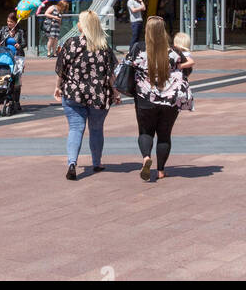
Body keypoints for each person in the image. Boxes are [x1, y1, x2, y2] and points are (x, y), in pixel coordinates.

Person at [53, 10, 117, 179]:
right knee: (96, 129)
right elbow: (111, 75)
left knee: (75, 128)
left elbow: (61, 69)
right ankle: (97, 162)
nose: (77, 25)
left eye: (79, 22)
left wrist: (58, 87)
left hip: (74, 93)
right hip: (99, 95)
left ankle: (72, 163)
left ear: (83, 26)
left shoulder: (71, 43)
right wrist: (116, 93)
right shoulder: (104, 47)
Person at [128, 14, 192, 181]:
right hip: (170, 100)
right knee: (164, 135)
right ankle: (161, 170)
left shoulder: (138, 48)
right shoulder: (174, 52)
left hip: (145, 99)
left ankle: (146, 158)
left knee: (145, 132)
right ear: (163, 31)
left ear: (147, 31)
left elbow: (127, 67)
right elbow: (187, 71)